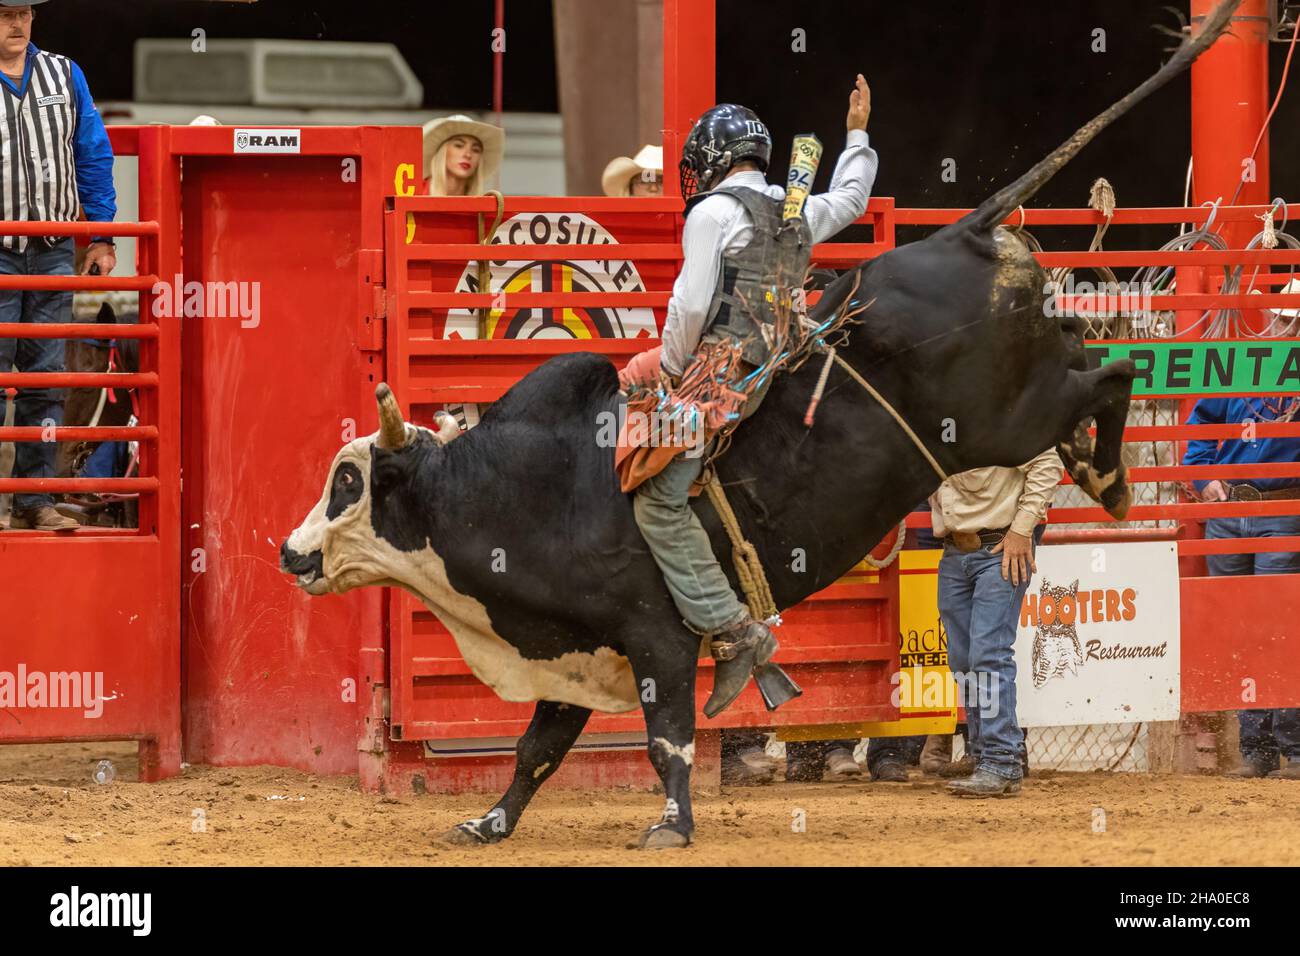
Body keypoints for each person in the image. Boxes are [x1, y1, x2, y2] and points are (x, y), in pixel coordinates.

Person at [633, 75, 877, 718]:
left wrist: (669, 371)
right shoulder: (794, 210)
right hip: (783, 362)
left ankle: (735, 630)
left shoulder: (712, 212)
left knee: (655, 497)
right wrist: (857, 132)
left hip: (721, 372)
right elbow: (852, 198)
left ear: (714, 160)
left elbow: (688, 304)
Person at [0, 0, 116, 532]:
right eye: (5, 13)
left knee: (45, 376)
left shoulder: (64, 74)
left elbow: (92, 152)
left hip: (49, 246)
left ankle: (35, 499)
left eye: (22, 12)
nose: (16, 23)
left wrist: (100, 235)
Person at [933, 451, 1063, 797]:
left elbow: (1047, 463)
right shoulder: (940, 413)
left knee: (987, 654)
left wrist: (1022, 530)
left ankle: (1000, 760)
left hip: (1000, 546)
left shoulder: (998, 407)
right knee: (964, 659)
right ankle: (987, 753)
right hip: (957, 549)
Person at [1184, 395, 1300, 780]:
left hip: (1283, 509)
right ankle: (1257, 749)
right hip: (1231, 510)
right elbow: (1201, 417)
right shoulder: (1239, 373)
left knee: (1278, 627)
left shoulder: (1264, 367)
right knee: (1241, 630)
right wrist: (1202, 476)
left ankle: (1293, 749)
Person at [421, 114, 504, 197]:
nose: (468, 155)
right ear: (441, 152)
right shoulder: (413, 193)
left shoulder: (482, 207)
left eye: (476, 150)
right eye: (459, 145)